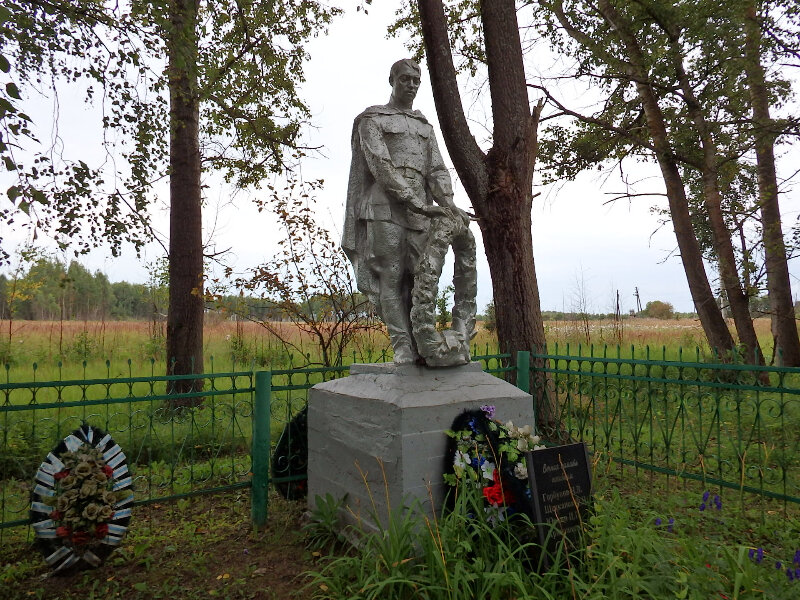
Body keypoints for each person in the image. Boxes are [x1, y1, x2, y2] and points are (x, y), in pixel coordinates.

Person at [342, 59, 469, 364]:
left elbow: (437, 168)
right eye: (405, 79)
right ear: (392, 80)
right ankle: (402, 345)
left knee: (420, 275)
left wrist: (448, 202)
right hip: (384, 207)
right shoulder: (372, 119)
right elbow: (381, 165)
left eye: (416, 80)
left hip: (420, 211)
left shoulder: (424, 126)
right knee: (392, 276)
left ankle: (422, 343)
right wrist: (418, 203)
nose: (411, 85)